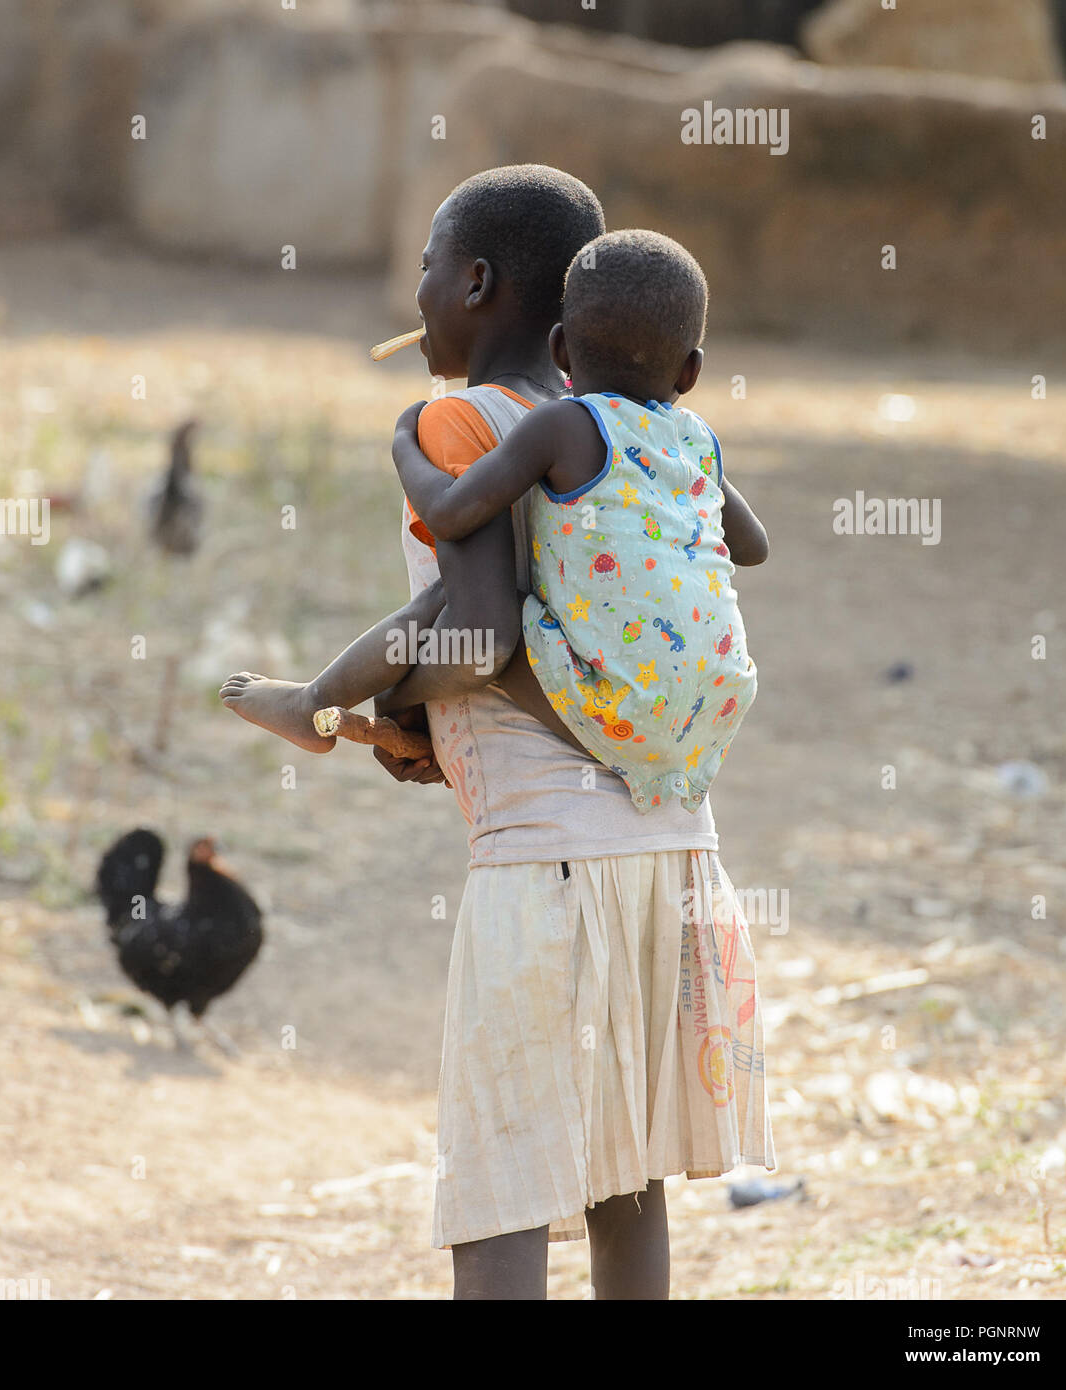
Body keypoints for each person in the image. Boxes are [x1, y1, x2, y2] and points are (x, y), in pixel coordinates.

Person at [221, 166, 774, 1299]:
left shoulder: (460, 423)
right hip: (673, 842)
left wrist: (384, 704)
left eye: (428, 266)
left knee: (502, 1188)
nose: (417, 291)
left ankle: (313, 702)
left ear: (474, 281)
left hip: (548, 856)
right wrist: (414, 728)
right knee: (629, 1177)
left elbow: (476, 636)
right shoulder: (647, 428)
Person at [389, 228, 767, 814]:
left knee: (471, 616)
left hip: (616, 710)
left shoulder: (559, 424)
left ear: (562, 349)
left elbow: (449, 513)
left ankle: (366, 697)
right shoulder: (697, 440)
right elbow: (755, 547)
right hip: (717, 706)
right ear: (691, 372)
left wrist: (403, 441)